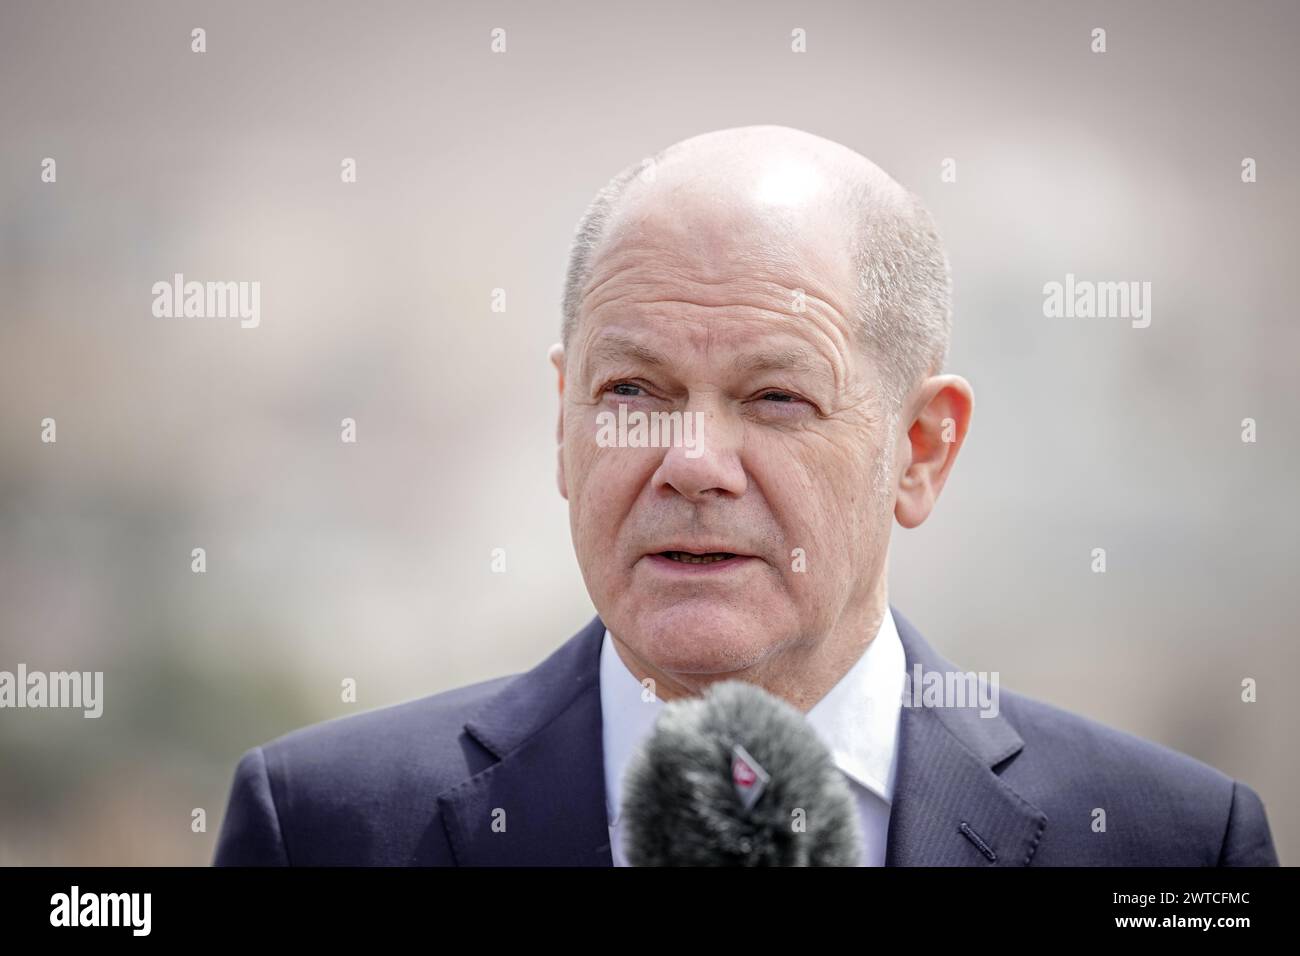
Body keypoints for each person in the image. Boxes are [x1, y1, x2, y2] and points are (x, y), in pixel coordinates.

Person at [213, 126, 1278, 866]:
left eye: (773, 397)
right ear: (562, 421)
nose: (690, 461)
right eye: (631, 390)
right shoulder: (327, 825)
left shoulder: (1163, 844)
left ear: (919, 446)